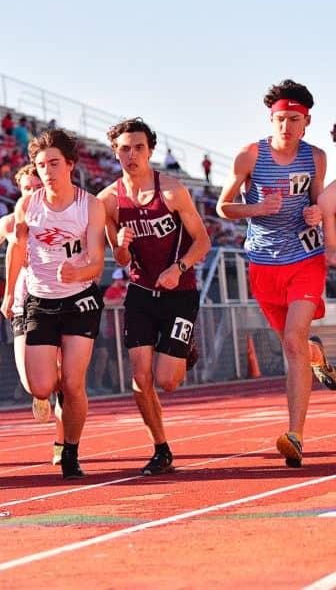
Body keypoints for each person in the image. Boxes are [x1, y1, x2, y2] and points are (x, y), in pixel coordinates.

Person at [221, 80, 334, 468]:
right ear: (271, 119)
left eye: (293, 119)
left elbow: (318, 198)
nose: (285, 126)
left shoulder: (315, 156)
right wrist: (256, 209)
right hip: (264, 264)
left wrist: (316, 213)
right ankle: (317, 355)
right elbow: (223, 207)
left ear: (307, 122)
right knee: (297, 345)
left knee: (291, 343)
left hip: (305, 257)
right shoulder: (250, 156)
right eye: (279, 119)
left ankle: (295, 436)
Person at [99, 118, 210, 475]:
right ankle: (161, 447)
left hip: (180, 290)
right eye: (125, 148)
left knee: (168, 380)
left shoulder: (173, 191)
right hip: (141, 291)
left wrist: (178, 268)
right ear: (115, 151)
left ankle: (182, 346)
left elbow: (203, 241)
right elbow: (119, 259)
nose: (132, 155)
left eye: (139, 148)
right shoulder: (109, 201)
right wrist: (120, 247)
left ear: (150, 150)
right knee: (140, 377)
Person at [5, 129, 107, 479]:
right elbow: (16, 249)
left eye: (53, 163)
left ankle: (71, 452)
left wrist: (77, 273)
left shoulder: (90, 206)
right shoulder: (27, 205)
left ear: (70, 166)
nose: (47, 171)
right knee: (41, 387)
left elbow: (97, 262)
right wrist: (7, 292)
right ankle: (57, 380)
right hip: (39, 300)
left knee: (75, 384)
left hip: (79, 301)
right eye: (40, 165)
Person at [0, 164, 65, 461]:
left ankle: (63, 444)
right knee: (32, 381)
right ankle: (42, 391)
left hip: (57, 302)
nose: (32, 194)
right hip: (21, 306)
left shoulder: (60, 218)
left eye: (36, 188)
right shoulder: (9, 222)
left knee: (66, 378)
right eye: (26, 189)